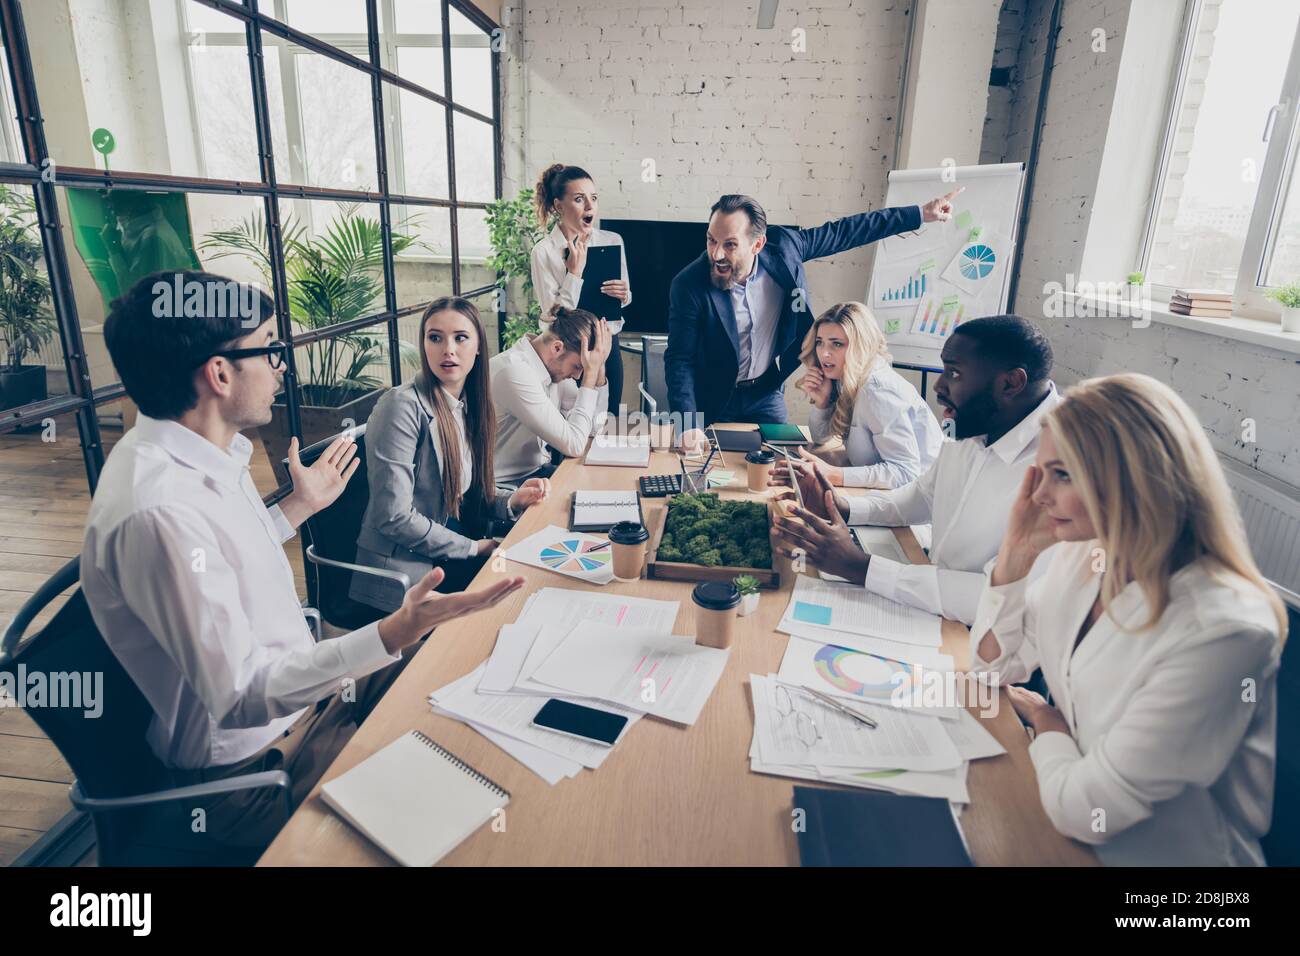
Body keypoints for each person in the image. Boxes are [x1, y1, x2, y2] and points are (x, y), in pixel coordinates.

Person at [82, 271, 525, 851]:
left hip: (310, 706)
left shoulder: (201, 457)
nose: (281, 367)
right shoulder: (160, 510)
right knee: (472, 820)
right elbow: (240, 695)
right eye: (271, 349)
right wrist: (393, 630)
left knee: (483, 697)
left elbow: (223, 563)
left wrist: (295, 508)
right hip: (257, 776)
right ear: (219, 374)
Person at [971, 373, 1286, 866]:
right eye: (1040, 473)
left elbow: (1086, 809)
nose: (1037, 497)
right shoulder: (1089, 554)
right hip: (1068, 826)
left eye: (1062, 475)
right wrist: (1014, 557)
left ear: (1133, 478)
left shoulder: (1223, 628)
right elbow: (991, 670)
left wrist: (1048, 722)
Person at [773, 314, 1058, 625]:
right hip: (932, 601)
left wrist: (861, 567)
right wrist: (843, 507)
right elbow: (923, 495)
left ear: (1011, 383)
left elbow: (999, 597)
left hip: (987, 639)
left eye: (955, 373)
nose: (938, 385)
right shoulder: (977, 422)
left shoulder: (1064, 467)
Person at [667, 188, 962, 449]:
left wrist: (919, 214)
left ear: (757, 245)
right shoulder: (689, 284)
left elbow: (847, 231)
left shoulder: (786, 248)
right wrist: (687, 424)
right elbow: (680, 358)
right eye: (711, 240)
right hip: (714, 395)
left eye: (729, 244)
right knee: (708, 471)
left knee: (782, 462)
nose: (716, 253)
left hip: (766, 390)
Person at [351, 297, 549, 612]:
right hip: (408, 571)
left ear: (478, 347)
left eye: (460, 337)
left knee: (533, 584)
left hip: (449, 549)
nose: (448, 349)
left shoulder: (467, 404)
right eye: (435, 338)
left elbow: (464, 491)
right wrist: (474, 548)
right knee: (511, 603)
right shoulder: (401, 407)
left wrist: (510, 501)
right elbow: (394, 517)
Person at [789, 301, 943, 488]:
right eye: (820, 343)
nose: (825, 354)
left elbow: (905, 472)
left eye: (837, 344)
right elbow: (820, 439)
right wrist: (823, 402)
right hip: (881, 494)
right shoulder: (845, 377)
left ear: (862, 346)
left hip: (916, 502)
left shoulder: (878, 390)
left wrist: (834, 474)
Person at [530, 163, 631, 417]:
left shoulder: (612, 240)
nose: (590, 207)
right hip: (567, 351)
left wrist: (624, 294)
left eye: (593, 198)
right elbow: (554, 317)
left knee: (607, 419)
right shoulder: (543, 252)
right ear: (558, 206)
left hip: (608, 344)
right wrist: (574, 273)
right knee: (569, 420)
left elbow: (626, 297)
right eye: (579, 199)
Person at [491, 304, 612, 487]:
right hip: (502, 487)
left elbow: (594, 428)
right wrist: (590, 376)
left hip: (537, 474)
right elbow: (575, 445)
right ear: (557, 348)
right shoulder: (515, 373)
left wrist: (599, 368)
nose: (577, 376)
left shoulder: (553, 369)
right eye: (578, 367)